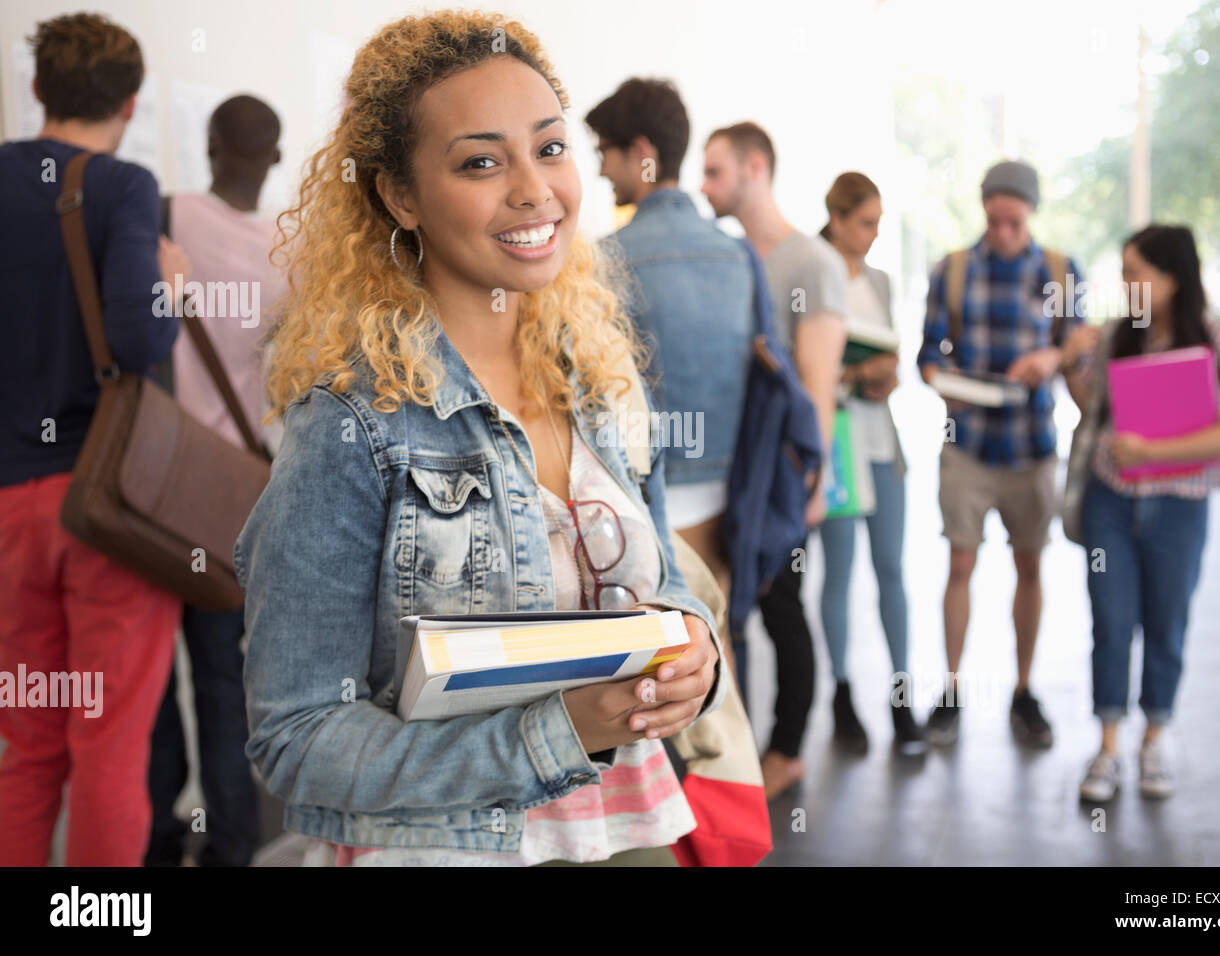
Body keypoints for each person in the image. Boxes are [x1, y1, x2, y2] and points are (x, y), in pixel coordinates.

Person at [236, 11, 725, 867]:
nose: (534, 190)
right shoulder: (351, 424)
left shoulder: (600, 381)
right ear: (399, 195)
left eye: (549, 147)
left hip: (634, 833)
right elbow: (297, 736)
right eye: (481, 162)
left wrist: (696, 656)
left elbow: (671, 589)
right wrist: (553, 736)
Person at [0, 12, 188, 866]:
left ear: (36, 89)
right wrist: (171, 288)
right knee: (109, 746)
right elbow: (139, 340)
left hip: (8, 509)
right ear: (131, 102)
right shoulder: (121, 187)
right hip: (104, 504)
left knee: (30, 746)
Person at [146, 95, 285, 867]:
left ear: (209, 146)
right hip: (236, 494)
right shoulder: (290, 255)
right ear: (274, 156)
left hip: (156, 483)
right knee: (226, 681)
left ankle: (160, 839)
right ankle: (231, 844)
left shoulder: (164, 218)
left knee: (150, 677)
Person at [1063, 225, 1220, 802]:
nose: (1125, 283)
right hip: (1110, 501)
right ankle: (1109, 747)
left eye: (1135, 272)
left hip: (1180, 507)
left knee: (1167, 623)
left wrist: (1151, 451)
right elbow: (1092, 406)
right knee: (1111, 622)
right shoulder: (1120, 334)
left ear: (1173, 278)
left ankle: (1154, 740)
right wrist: (1073, 364)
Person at [586, 77, 753, 683]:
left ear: (641, 150)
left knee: (673, 665)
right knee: (722, 644)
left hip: (652, 496)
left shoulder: (606, 258)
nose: (601, 169)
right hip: (732, 486)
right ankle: (737, 775)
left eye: (605, 151)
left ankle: (702, 779)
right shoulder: (735, 253)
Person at [701, 121, 847, 797]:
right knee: (734, 618)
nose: (706, 187)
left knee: (784, 609)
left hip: (786, 478)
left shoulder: (810, 264)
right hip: (735, 473)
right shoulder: (726, 258)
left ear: (755, 168)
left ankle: (787, 750)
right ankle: (737, 751)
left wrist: (812, 485)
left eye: (716, 172)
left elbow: (818, 385)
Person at [917, 159, 1083, 749]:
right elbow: (928, 356)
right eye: (994, 220)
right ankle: (953, 687)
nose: (1005, 231)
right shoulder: (954, 270)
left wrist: (1053, 360)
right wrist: (942, 378)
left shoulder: (1062, 271)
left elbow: (1079, 348)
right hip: (968, 448)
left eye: (1014, 221)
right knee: (960, 564)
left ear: (1031, 213)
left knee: (1030, 566)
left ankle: (1024, 689)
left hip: (1033, 449)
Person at [817, 172, 924, 757]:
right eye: (865, 222)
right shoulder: (813, 275)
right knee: (838, 574)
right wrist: (855, 376)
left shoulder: (880, 280)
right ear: (836, 218)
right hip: (837, 449)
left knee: (892, 571)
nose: (874, 233)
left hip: (882, 446)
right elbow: (805, 370)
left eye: (880, 222)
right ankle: (841, 696)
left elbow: (892, 354)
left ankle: (901, 697)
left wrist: (883, 375)